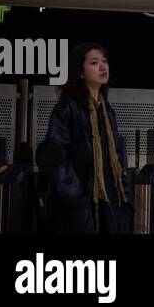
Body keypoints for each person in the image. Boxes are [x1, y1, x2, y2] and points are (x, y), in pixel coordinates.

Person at [45, 42, 132, 233]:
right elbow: (56, 157)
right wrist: (76, 198)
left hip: (107, 203)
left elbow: (117, 158)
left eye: (104, 61)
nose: (103, 66)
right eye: (94, 62)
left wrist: (125, 198)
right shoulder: (67, 108)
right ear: (80, 72)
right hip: (79, 207)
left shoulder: (107, 112)